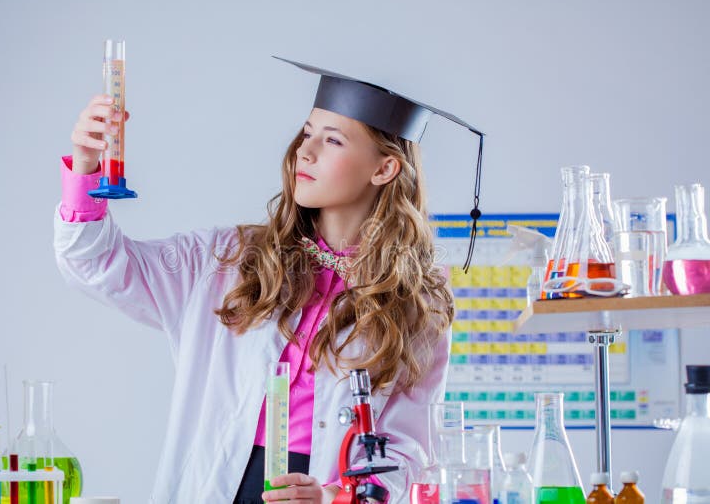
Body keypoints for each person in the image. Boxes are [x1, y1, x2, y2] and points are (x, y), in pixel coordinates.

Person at [54, 57, 484, 503]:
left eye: (333, 140)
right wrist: (86, 166)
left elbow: (408, 445)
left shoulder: (415, 303)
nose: (306, 151)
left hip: (317, 492)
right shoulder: (227, 259)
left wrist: (338, 497)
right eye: (308, 132)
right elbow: (96, 264)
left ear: (384, 169)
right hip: (215, 485)